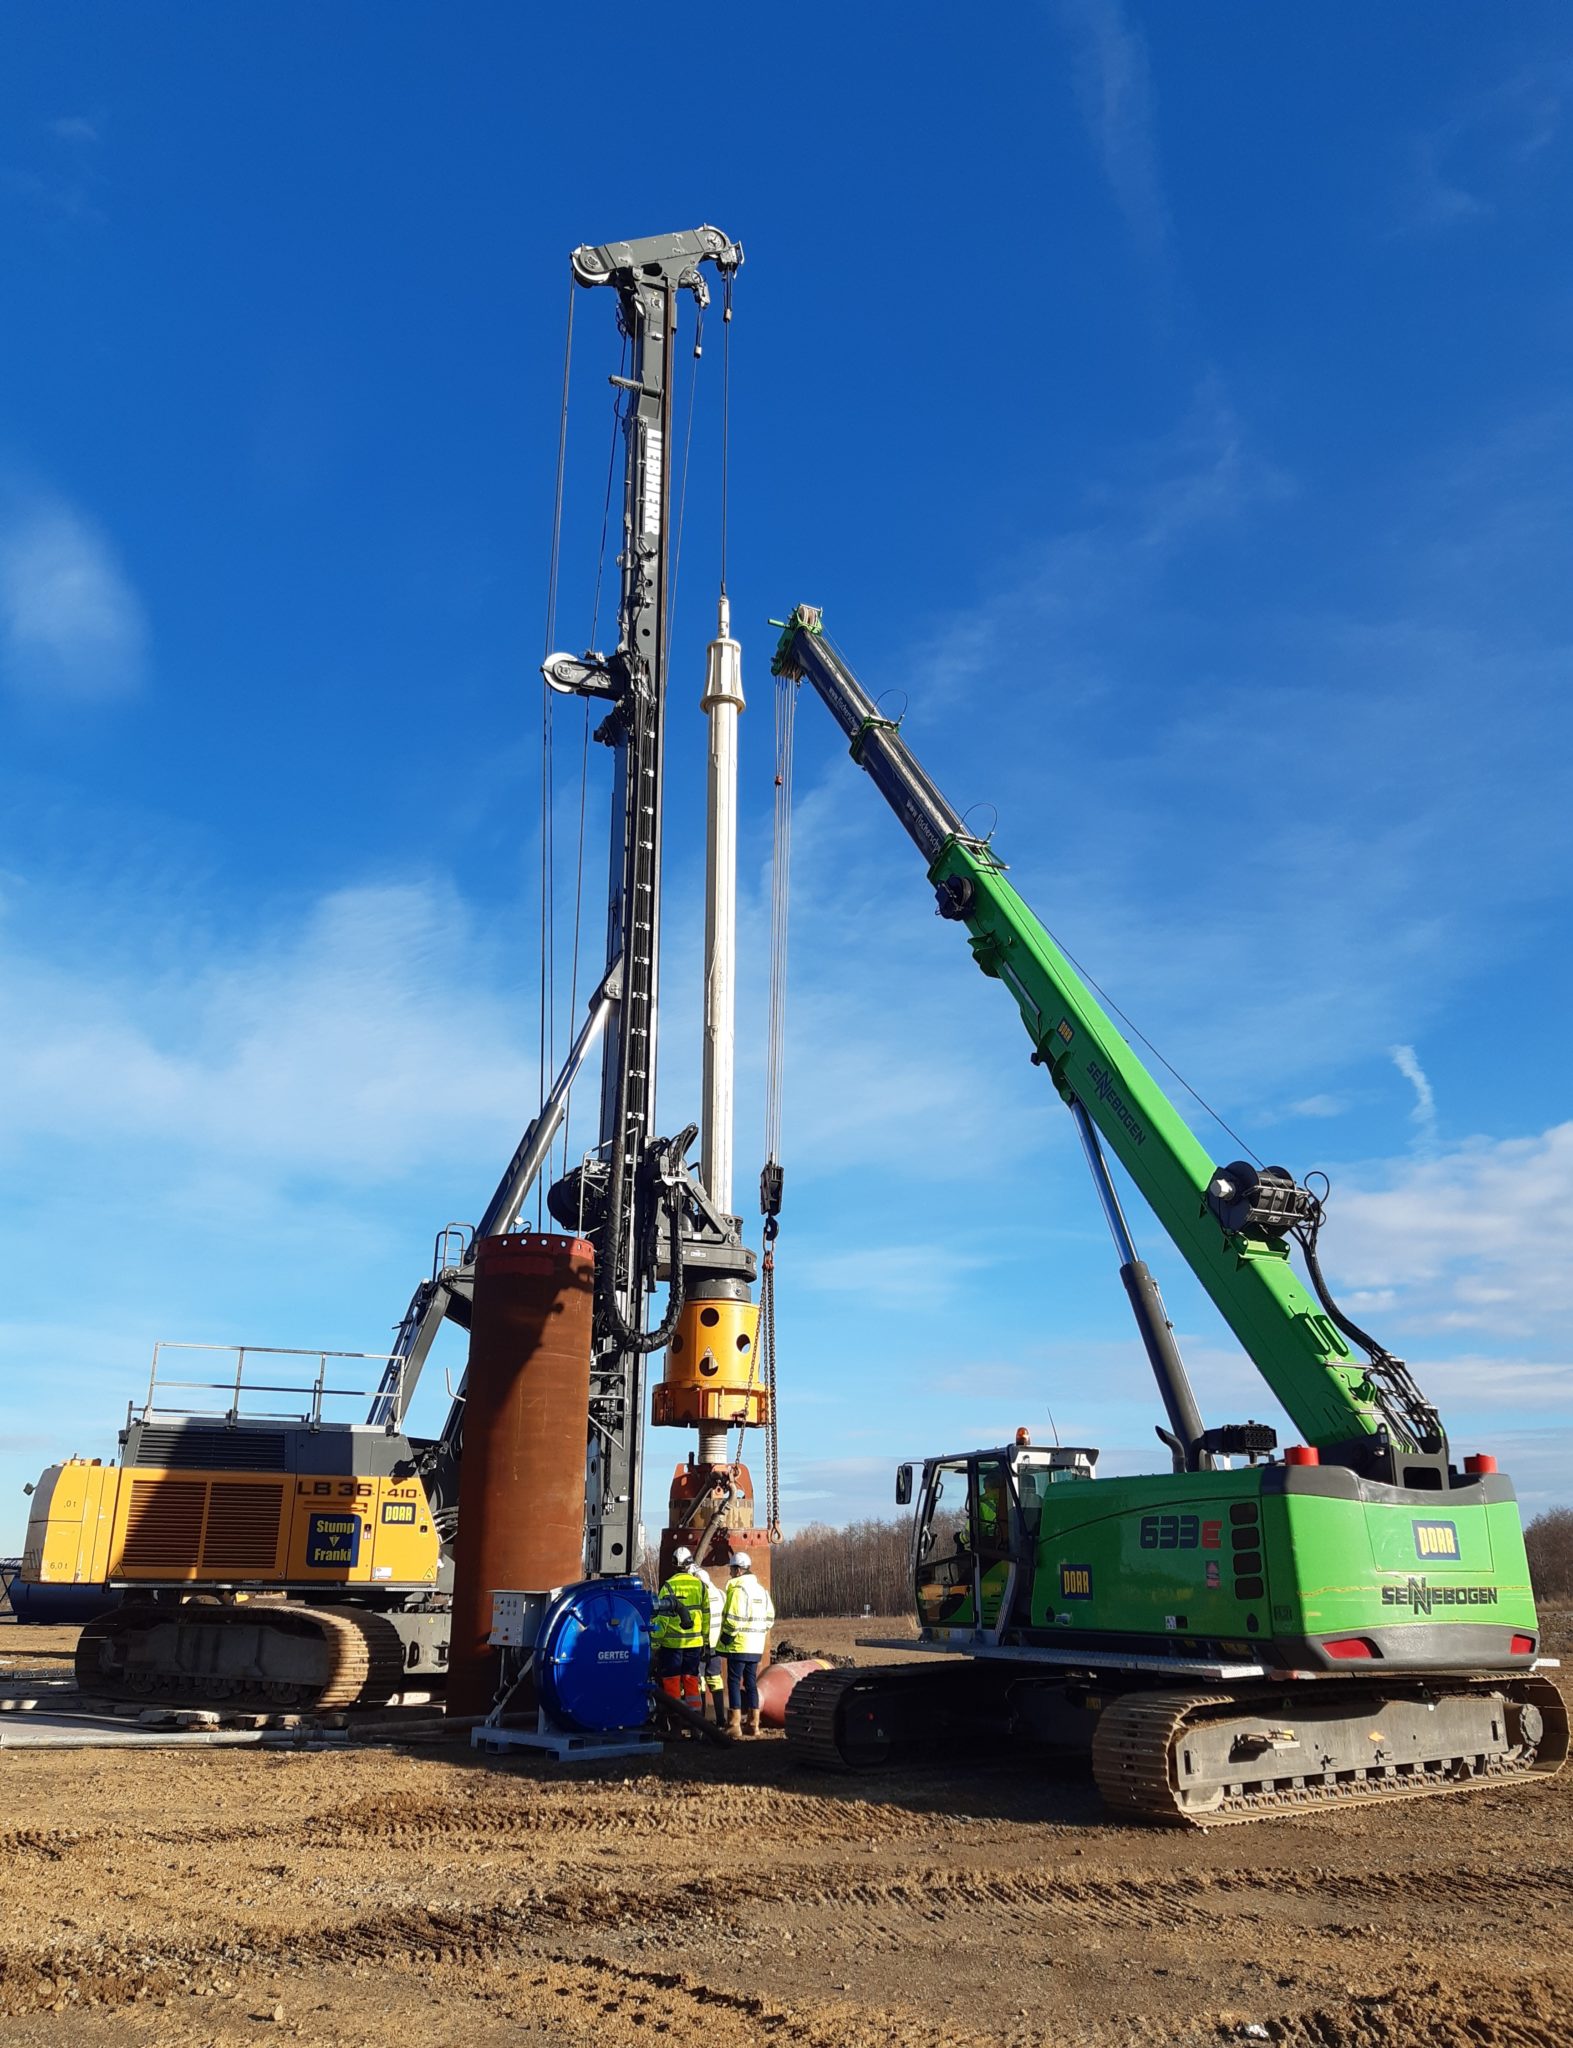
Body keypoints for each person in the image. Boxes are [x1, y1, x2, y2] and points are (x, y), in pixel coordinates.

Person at [718, 1549, 775, 1738]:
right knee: (751, 1683)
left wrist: (727, 1636)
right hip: (756, 1646)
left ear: (739, 1570)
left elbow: (735, 1618)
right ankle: (754, 1725)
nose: (730, 1572)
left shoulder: (738, 1589)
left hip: (739, 1644)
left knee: (734, 1682)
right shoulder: (761, 1591)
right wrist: (757, 1633)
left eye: (732, 1569)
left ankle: (734, 1725)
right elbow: (769, 1618)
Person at [651, 1544, 709, 1712]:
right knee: (691, 1679)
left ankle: (674, 1718)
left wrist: (655, 1644)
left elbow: (662, 1619)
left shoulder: (669, 1586)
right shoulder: (700, 1586)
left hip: (672, 1646)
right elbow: (706, 1615)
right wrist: (705, 1640)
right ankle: (695, 1718)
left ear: (674, 1564)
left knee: (671, 1680)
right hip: (694, 1643)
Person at [692, 1555, 727, 1723]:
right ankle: (721, 1718)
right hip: (716, 1645)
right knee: (715, 1679)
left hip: (700, 1644)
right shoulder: (720, 1594)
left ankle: (701, 1720)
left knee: (699, 1681)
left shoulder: (699, 1595)